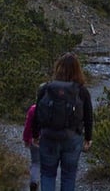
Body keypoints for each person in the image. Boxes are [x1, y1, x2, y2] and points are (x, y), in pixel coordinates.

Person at [32, 52, 94, 191]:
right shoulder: (82, 91)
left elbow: (37, 113)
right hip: (72, 138)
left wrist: (35, 135)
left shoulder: (46, 88)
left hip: (48, 137)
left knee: (47, 174)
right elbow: (88, 116)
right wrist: (88, 138)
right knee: (68, 176)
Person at [22, 104, 40, 191]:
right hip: (50, 140)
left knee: (35, 163)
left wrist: (26, 139)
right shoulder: (56, 107)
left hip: (35, 140)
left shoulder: (33, 108)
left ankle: (34, 181)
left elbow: (28, 125)